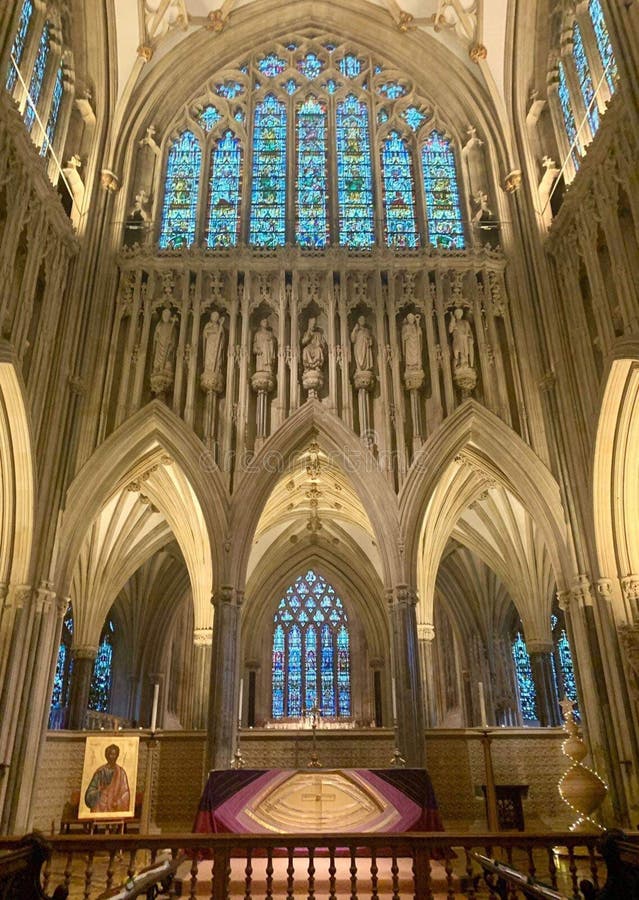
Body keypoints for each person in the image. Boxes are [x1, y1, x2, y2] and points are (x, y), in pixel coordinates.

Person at [84, 744, 131, 814]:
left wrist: (118, 803)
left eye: (114, 754)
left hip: (114, 808)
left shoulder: (121, 773)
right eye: (110, 754)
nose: (112, 757)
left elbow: (125, 793)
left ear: (117, 756)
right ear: (106, 756)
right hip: (99, 808)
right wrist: (99, 792)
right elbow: (90, 792)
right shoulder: (100, 772)